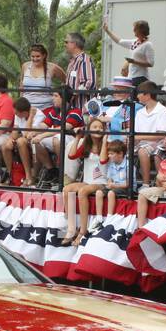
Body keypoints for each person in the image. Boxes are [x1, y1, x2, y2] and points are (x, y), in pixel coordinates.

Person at [60, 117, 108, 246]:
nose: (98, 129)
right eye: (95, 127)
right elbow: (71, 156)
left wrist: (104, 141)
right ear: (88, 130)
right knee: (67, 189)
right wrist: (77, 138)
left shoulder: (107, 144)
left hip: (102, 182)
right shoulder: (86, 144)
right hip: (88, 181)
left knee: (82, 191)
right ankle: (71, 228)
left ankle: (83, 230)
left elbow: (103, 161)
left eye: (101, 127)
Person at [130, 82, 166, 186]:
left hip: (159, 143)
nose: (137, 96)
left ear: (147, 95)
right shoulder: (140, 112)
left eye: (139, 93)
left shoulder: (162, 110)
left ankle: (146, 184)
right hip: (142, 143)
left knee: (143, 151)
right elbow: (136, 133)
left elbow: (161, 135)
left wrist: (138, 137)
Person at [102, 18, 154, 87]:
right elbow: (119, 41)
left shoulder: (148, 45)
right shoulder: (134, 42)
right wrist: (107, 31)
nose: (133, 30)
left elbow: (151, 63)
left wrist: (134, 61)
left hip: (141, 77)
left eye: (135, 29)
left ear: (141, 30)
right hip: (131, 77)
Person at [19, 44, 66, 113]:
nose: (35, 59)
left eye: (38, 56)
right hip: (26, 109)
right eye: (32, 56)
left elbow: (66, 81)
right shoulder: (25, 66)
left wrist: (59, 96)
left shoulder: (52, 68)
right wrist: (20, 103)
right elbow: (21, 86)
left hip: (46, 109)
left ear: (44, 55)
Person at [64, 32, 96, 111]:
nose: (65, 45)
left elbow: (90, 82)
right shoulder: (72, 62)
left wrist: (73, 93)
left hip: (84, 110)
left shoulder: (84, 60)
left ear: (74, 44)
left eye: (66, 42)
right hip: (73, 109)